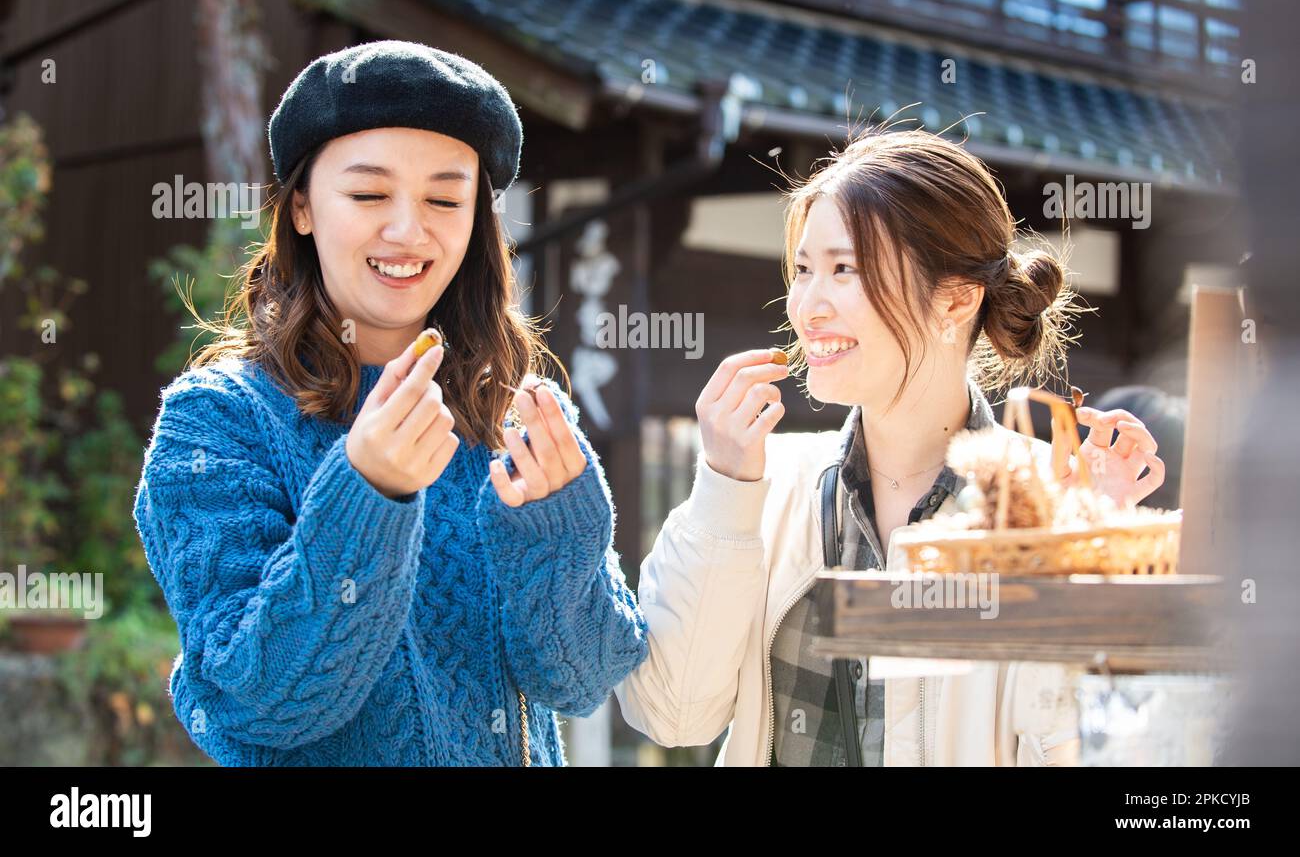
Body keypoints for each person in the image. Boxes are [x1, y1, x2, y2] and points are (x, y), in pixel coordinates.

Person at [133, 40, 648, 766]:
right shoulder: (217, 419)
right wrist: (367, 491)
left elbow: (586, 677)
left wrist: (557, 532)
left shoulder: (516, 410)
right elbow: (255, 702)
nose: (408, 230)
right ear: (303, 208)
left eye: (444, 198)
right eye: (370, 194)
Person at [614, 126, 1165, 766]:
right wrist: (723, 488)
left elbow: (1089, 757)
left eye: (843, 269)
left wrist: (1085, 553)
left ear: (955, 299)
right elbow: (671, 713)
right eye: (802, 270)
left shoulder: (1046, 502)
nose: (806, 306)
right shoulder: (769, 482)